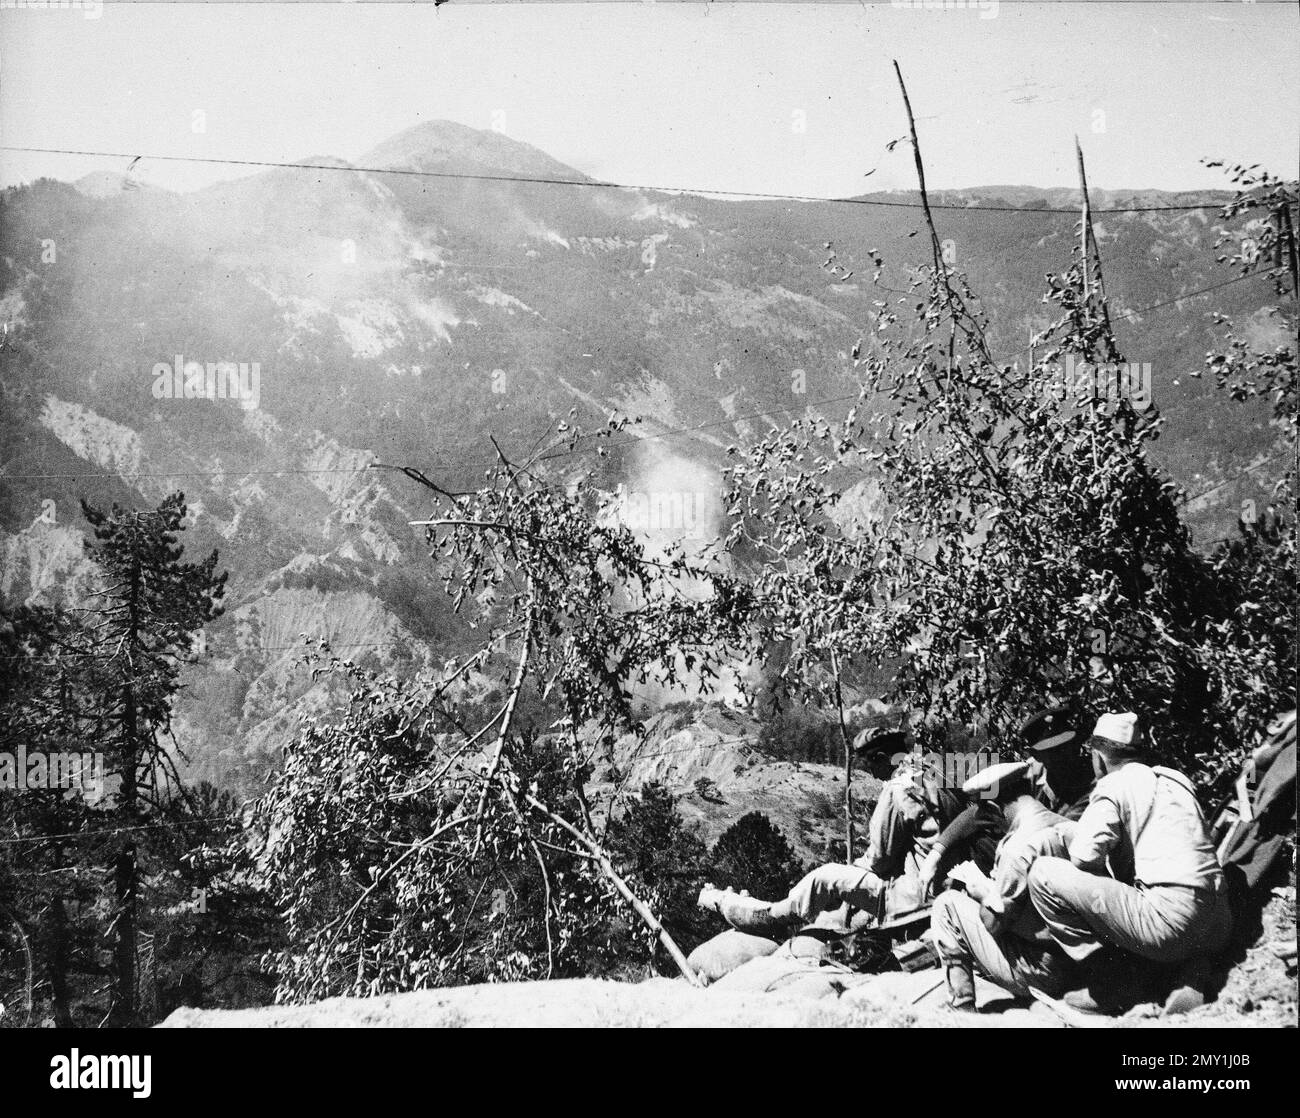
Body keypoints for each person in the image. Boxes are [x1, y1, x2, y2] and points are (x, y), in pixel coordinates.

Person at [700, 725, 998, 935]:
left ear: (881, 759)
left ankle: (773, 915)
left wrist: (851, 875)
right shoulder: (938, 771)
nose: (870, 773)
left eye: (870, 765)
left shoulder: (898, 788)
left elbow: (880, 860)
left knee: (825, 878)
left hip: (917, 895)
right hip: (956, 879)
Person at [1027, 711, 1233, 1011]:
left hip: (1170, 920)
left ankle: (1112, 985)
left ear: (1098, 756)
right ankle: (1188, 972)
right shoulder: (1176, 780)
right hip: (1218, 921)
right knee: (1172, 914)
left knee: (1044, 874)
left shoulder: (1114, 784)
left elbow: (1084, 858)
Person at [930, 760, 1076, 1010]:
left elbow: (993, 924)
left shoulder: (1017, 848)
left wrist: (984, 894)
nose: (996, 828)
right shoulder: (1068, 825)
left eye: (992, 820)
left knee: (946, 905)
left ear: (996, 807)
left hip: (1043, 971)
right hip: (1079, 962)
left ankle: (961, 1008)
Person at [1020, 706, 1095, 821]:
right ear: (1036, 755)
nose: (1062, 755)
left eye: (1066, 746)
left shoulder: (1098, 777)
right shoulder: (1037, 791)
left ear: (1076, 744)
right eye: (1052, 751)